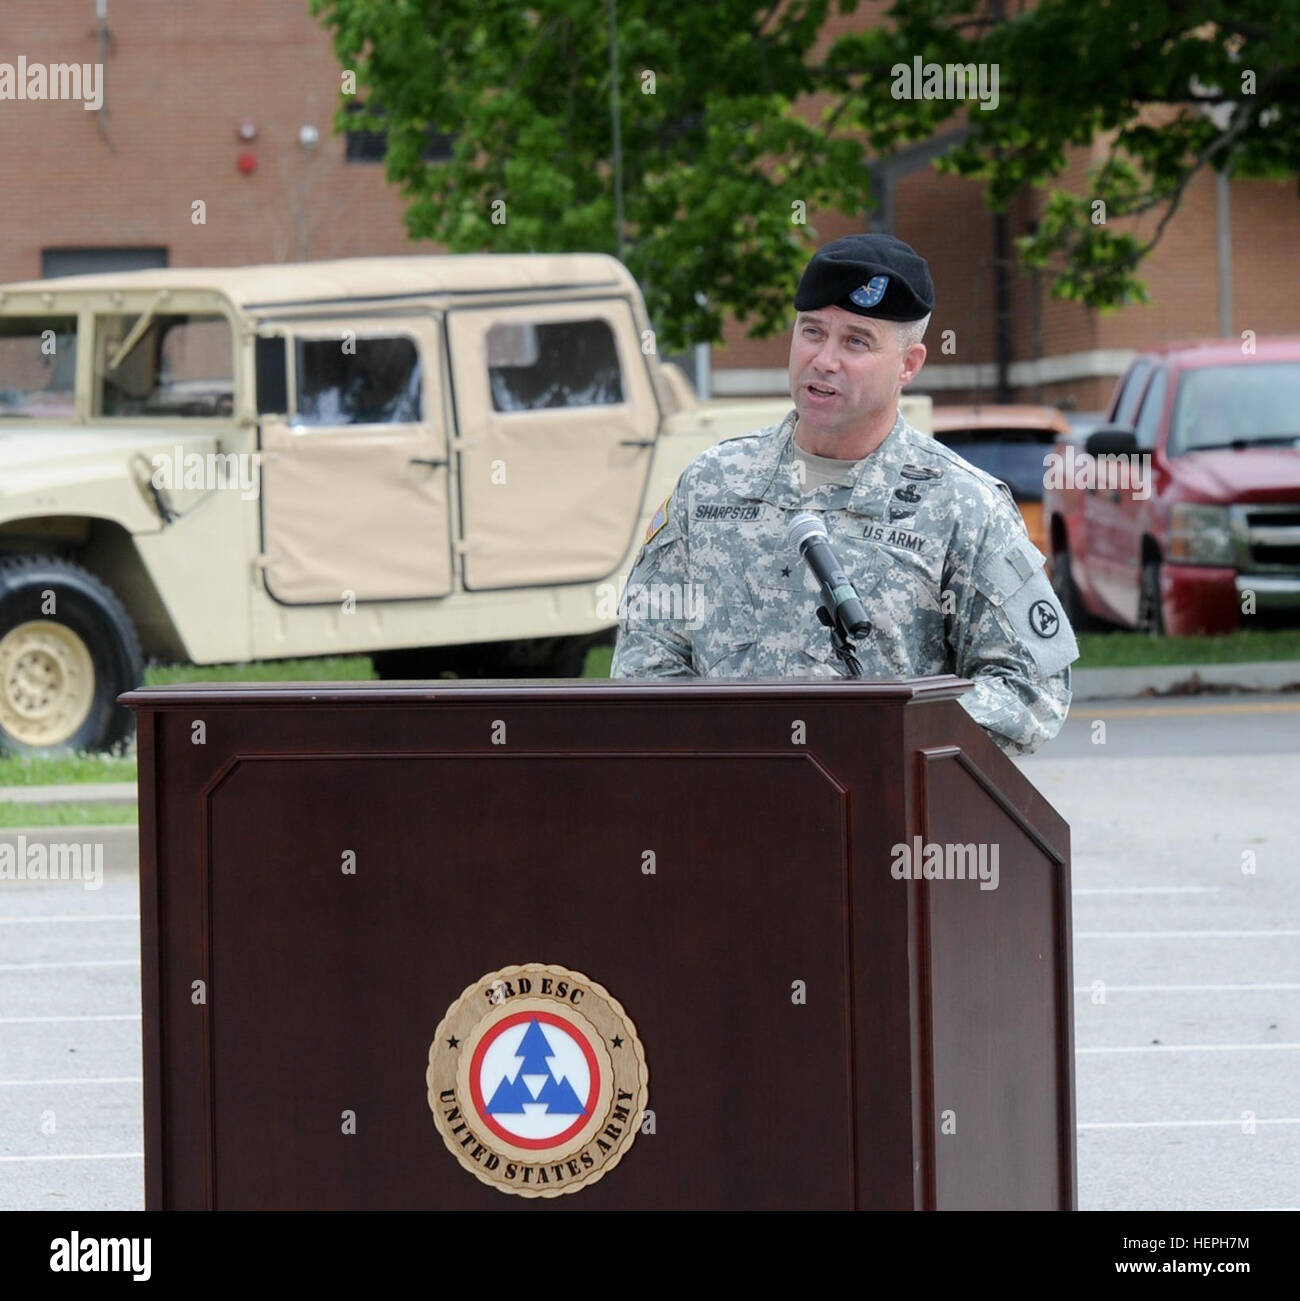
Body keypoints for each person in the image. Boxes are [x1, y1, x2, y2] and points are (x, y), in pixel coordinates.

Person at [610, 233, 1077, 756]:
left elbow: (1030, 690)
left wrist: (886, 741)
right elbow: (645, 666)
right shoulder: (712, 484)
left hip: (889, 820)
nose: (824, 359)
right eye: (812, 332)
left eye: (856, 341)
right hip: (731, 812)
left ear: (909, 363)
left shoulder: (963, 505)